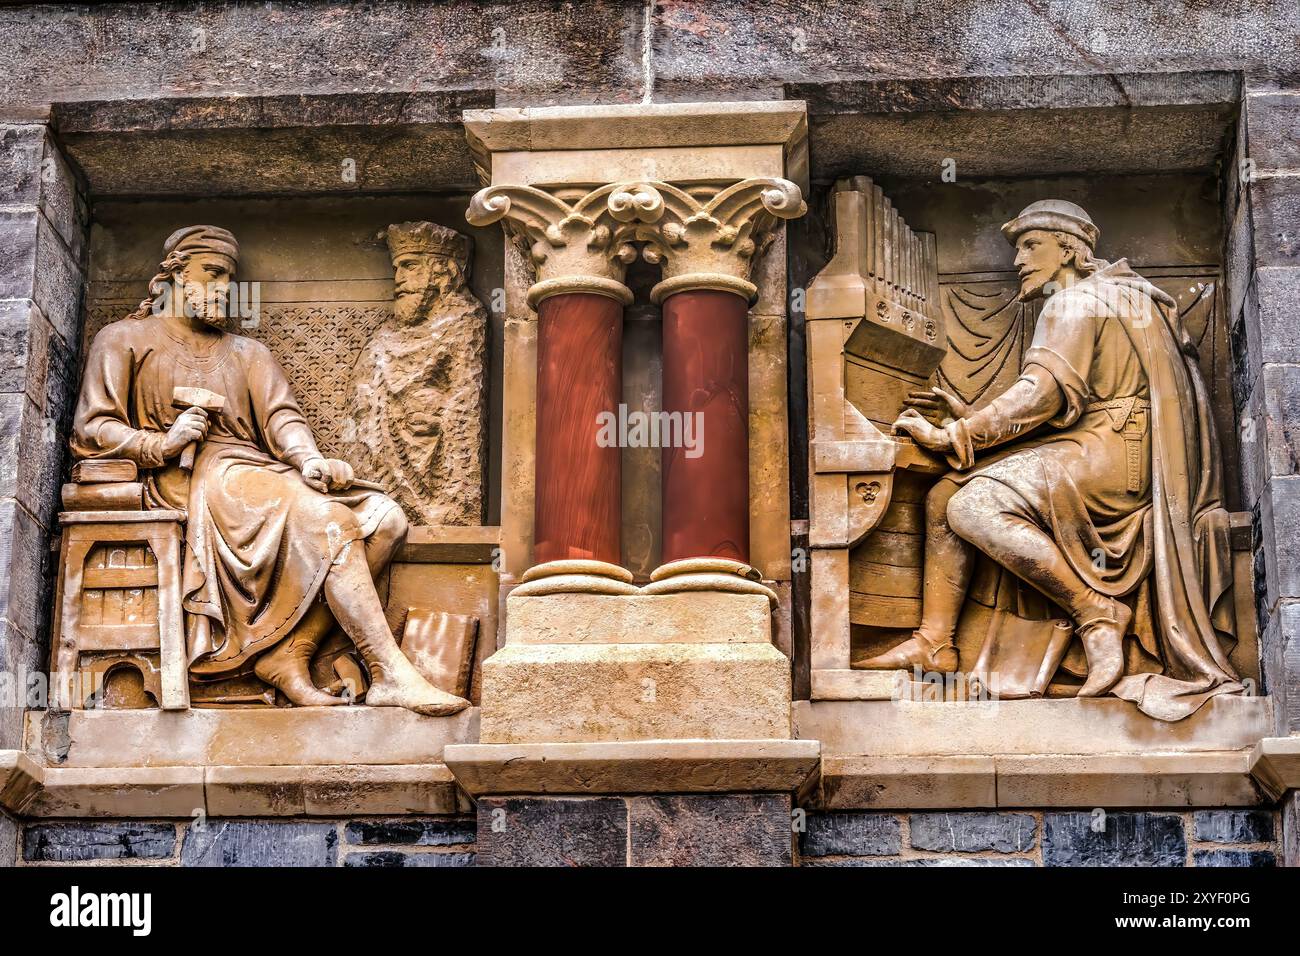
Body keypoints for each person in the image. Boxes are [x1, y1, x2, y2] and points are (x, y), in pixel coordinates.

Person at [70, 225, 469, 715]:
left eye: (229, 277)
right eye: (212, 272)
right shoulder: (124, 340)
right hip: (186, 479)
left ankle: (290, 653)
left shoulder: (247, 353)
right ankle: (389, 672)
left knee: (386, 519)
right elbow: (93, 428)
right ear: (174, 272)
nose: (223, 286)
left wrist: (309, 459)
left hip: (254, 472)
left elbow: (283, 417)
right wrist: (162, 442)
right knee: (332, 523)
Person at [869, 200, 1243, 720]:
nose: (1018, 261)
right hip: (1115, 449)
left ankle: (1096, 613)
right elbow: (1068, 402)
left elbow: (1043, 396)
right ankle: (936, 641)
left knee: (974, 506)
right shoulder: (1126, 298)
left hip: (1109, 455)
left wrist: (953, 433)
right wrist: (976, 417)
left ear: (1068, 248)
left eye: (1029, 246)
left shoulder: (1074, 302)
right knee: (942, 496)